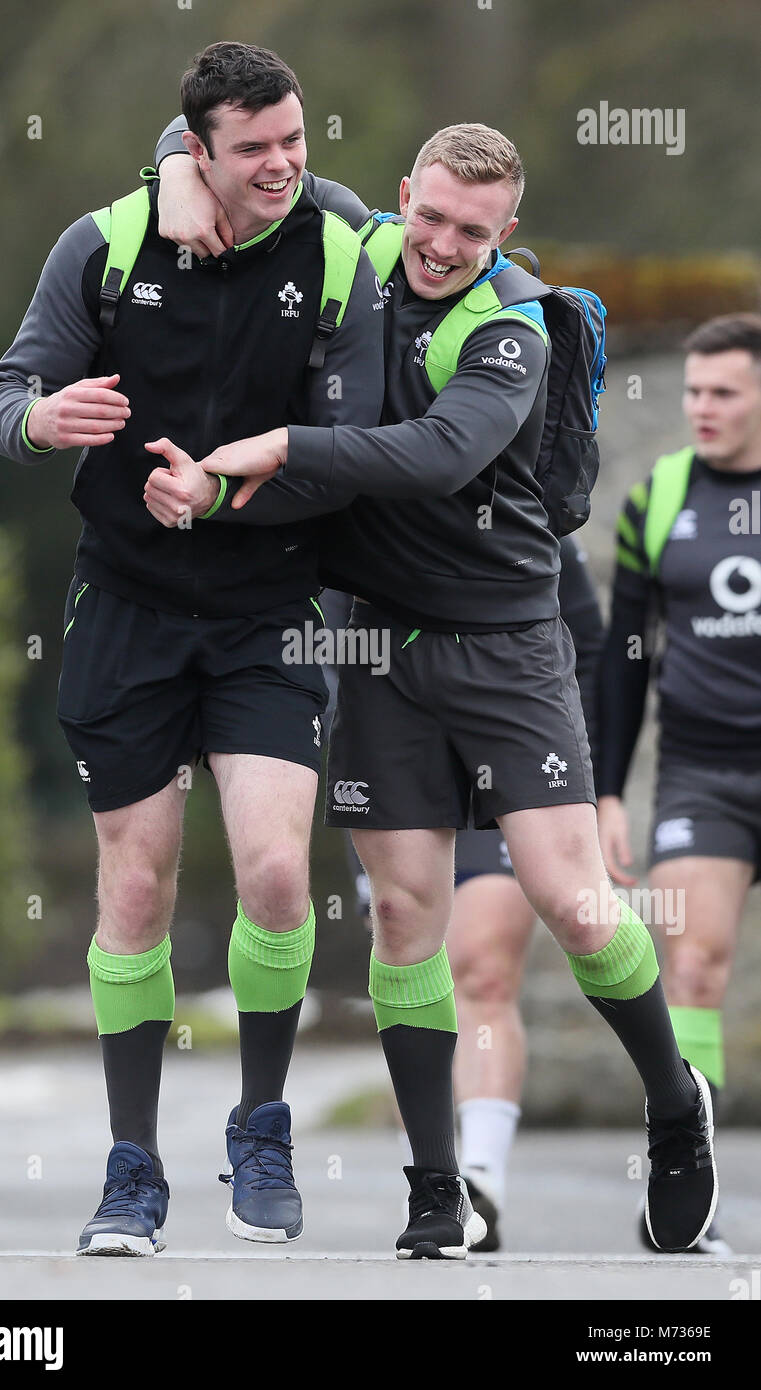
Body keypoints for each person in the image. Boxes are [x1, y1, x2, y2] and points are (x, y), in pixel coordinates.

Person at [146, 122, 718, 1260]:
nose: (445, 245)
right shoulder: (353, 238)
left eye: (474, 229)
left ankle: (671, 1103)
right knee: (406, 919)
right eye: (433, 216)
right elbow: (214, 133)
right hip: (378, 648)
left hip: (507, 643)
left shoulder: (514, 326)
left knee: (571, 897)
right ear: (403, 192)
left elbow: (433, 455)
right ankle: (436, 1190)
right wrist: (173, 179)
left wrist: (271, 448)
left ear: (506, 232)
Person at [0, 41, 384, 1256]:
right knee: (136, 892)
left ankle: (262, 1122)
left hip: (266, 607)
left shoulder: (339, 248)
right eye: (253, 149)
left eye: (295, 142)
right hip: (128, 608)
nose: (284, 167)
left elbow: (350, 447)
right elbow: (8, 397)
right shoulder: (103, 245)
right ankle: (131, 1171)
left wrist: (218, 497)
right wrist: (46, 421)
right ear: (196, 151)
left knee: (274, 876)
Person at [597, 312, 761, 1256]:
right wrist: (610, 790)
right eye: (693, 391)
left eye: (723, 392)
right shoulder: (657, 497)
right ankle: (688, 1179)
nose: (700, 407)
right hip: (702, 772)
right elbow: (623, 659)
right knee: (691, 966)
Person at [449, 533, 604, 1251]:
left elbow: (592, 644)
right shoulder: (363, 481)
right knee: (418, 963)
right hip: (392, 754)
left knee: (481, 964)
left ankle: (478, 1175)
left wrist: (580, 782)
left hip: (506, 755)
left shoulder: (515, 499)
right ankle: (431, 1169)